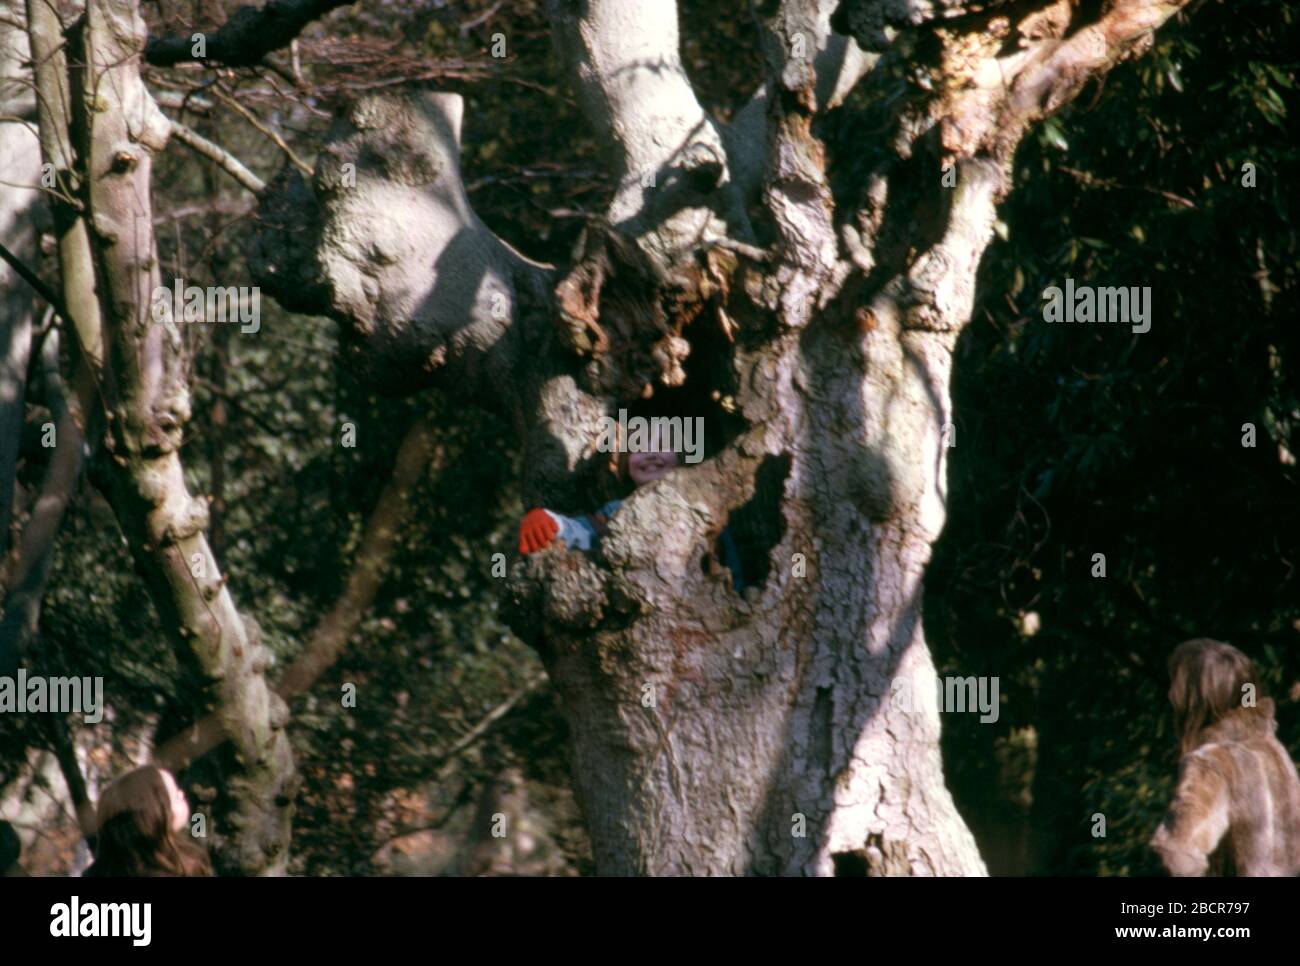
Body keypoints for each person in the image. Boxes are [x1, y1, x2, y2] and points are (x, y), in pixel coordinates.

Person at [1149, 639, 1300, 876]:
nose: (1169, 696)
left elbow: (1180, 859)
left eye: (1176, 688)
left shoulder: (1212, 762)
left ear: (1197, 700)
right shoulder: (1272, 751)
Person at [518, 446, 744, 590]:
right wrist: (551, 521)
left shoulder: (701, 510)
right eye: (638, 447)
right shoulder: (618, 510)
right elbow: (587, 531)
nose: (650, 454)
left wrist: (735, 596)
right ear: (626, 464)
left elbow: (729, 561)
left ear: (682, 459)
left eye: (663, 445)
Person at [83, 766, 212, 877]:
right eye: (174, 795)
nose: (182, 794)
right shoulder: (183, 866)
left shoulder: (99, 871)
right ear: (153, 814)